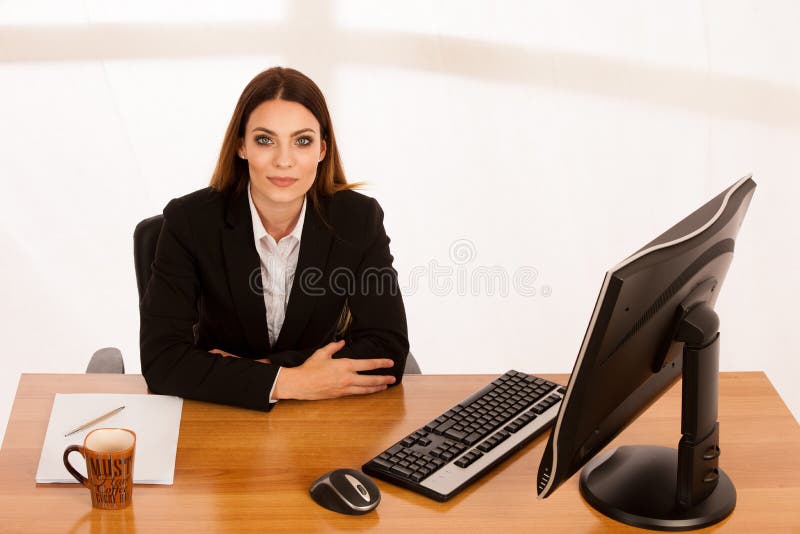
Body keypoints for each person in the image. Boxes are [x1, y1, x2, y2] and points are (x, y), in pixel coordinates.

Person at [139, 67, 409, 411]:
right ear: (242, 146)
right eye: (265, 140)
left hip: (318, 416)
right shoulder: (191, 221)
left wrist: (266, 370)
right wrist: (293, 380)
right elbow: (163, 361)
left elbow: (388, 351)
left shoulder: (358, 220)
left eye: (303, 141)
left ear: (322, 149)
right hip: (218, 413)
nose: (284, 160)